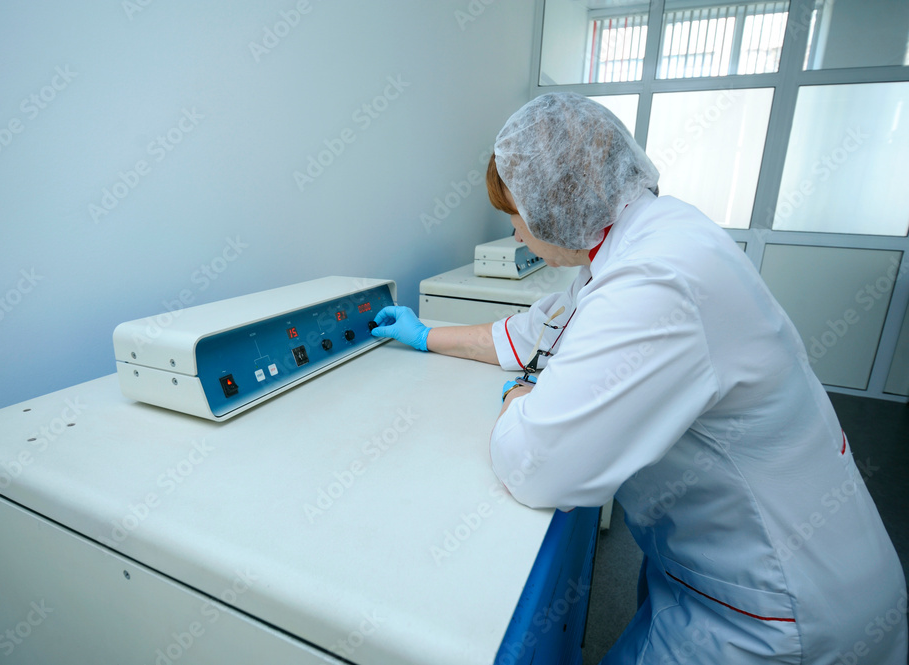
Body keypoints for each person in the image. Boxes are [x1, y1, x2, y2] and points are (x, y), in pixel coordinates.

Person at [371, 93, 908, 664]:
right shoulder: (645, 236)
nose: (516, 234)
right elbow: (535, 332)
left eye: (515, 214)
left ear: (555, 201)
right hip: (727, 566)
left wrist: (519, 399)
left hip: (776, 608)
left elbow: (538, 466)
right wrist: (426, 335)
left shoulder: (656, 279)